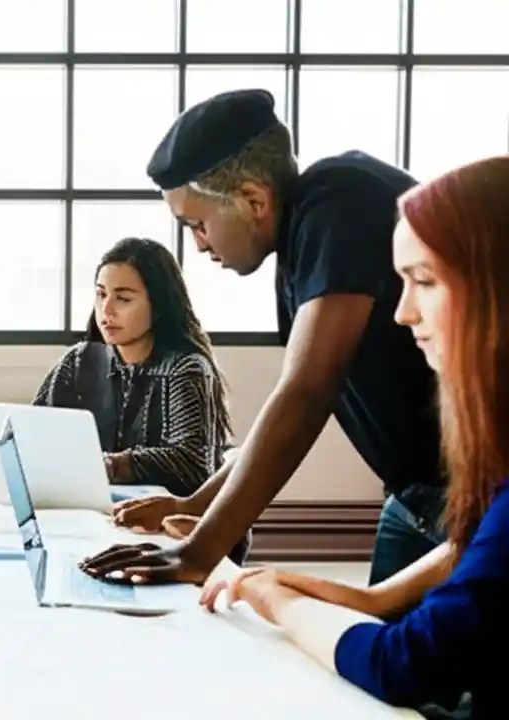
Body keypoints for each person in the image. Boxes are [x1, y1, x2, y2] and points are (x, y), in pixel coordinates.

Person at [79, 89, 443, 587]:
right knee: (378, 656)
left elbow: (307, 393)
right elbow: (293, 399)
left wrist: (200, 551)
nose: (198, 243)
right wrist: (194, 506)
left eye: (197, 224)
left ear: (254, 199)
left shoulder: (340, 201)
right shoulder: (299, 240)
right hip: (412, 497)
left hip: (472, 497)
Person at [201, 155, 509, 719]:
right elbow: (483, 545)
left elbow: (404, 663)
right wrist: (374, 599)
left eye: (424, 281)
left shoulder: (333, 204)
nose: (402, 313)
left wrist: (278, 601)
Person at [34, 237, 232, 495]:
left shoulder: (185, 368)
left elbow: (192, 464)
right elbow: (33, 434)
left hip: (168, 523)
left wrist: (113, 465)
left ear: (159, 304)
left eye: (123, 299)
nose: (106, 309)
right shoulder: (77, 362)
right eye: (101, 294)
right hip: (95, 513)